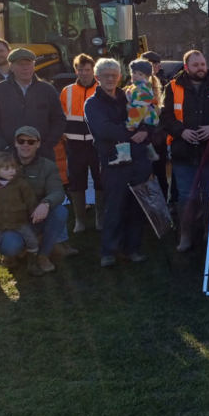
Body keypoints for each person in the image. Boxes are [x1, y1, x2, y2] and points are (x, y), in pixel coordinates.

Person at [0, 127, 77, 269]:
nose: (25, 145)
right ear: (15, 143)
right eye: (21, 141)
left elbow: (57, 192)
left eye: (31, 141)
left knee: (60, 212)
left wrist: (45, 204)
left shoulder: (48, 166)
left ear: (38, 144)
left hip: (36, 217)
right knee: (10, 247)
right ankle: (12, 253)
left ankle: (43, 255)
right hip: (10, 222)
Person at [161, 50, 209, 253]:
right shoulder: (172, 87)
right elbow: (165, 117)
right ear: (186, 67)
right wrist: (181, 132)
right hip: (183, 151)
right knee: (186, 196)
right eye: (195, 65)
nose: (201, 68)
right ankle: (186, 235)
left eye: (202, 64)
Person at [83, 59, 153, 268]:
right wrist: (132, 130)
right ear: (97, 78)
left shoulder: (131, 96)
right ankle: (109, 251)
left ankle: (133, 248)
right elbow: (104, 129)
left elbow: (147, 118)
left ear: (120, 77)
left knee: (137, 206)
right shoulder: (93, 103)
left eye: (114, 74)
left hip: (139, 160)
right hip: (113, 162)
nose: (110, 78)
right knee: (114, 207)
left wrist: (146, 130)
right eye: (105, 75)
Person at [0, 48, 66, 164]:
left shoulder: (47, 90)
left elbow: (59, 120)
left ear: (34, 65)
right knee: (3, 182)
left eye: (28, 64)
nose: (25, 67)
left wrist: (46, 145)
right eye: (20, 64)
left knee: (44, 182)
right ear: (11, 67)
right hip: (8, 158)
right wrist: (4, 147)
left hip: (42, 157)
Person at [0, 152, 43, 280]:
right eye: (6, 169)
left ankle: (32, 265)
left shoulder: (21, 184)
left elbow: (30, 200)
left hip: (19, 222)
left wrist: (34, 212)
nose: (11, 171)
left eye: (13, 167)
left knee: (33, 241)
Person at [60, 54, 104, 234]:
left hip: (97, 145)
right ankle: (80, 220)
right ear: (75, 70)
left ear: (93, 71)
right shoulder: (67, 91)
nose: (84, 73)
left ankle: (99, 218)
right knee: (76, 182)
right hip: (74, 145)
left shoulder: (102, 89)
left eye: (88, 70)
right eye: (81, 69)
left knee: (101, 181)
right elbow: (60, 115)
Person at [142, 51, 171, 198]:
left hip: (158, 137)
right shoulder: (133, 85)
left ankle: (163, 203)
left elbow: (165, 112)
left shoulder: (164, 83)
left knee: (160, 172)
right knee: (143, 174)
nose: (155, 66)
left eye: (156, 64)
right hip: (140, 136)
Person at [122, 59, 162, 164]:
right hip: (147, 117)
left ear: (147, 77)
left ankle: (151, 153)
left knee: (138, 137)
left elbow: (139, 108)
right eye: (134, 73)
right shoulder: (137, 87)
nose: (136, 76)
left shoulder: (141, 89)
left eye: (140, 74)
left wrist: (131, 124)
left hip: (144, 118)